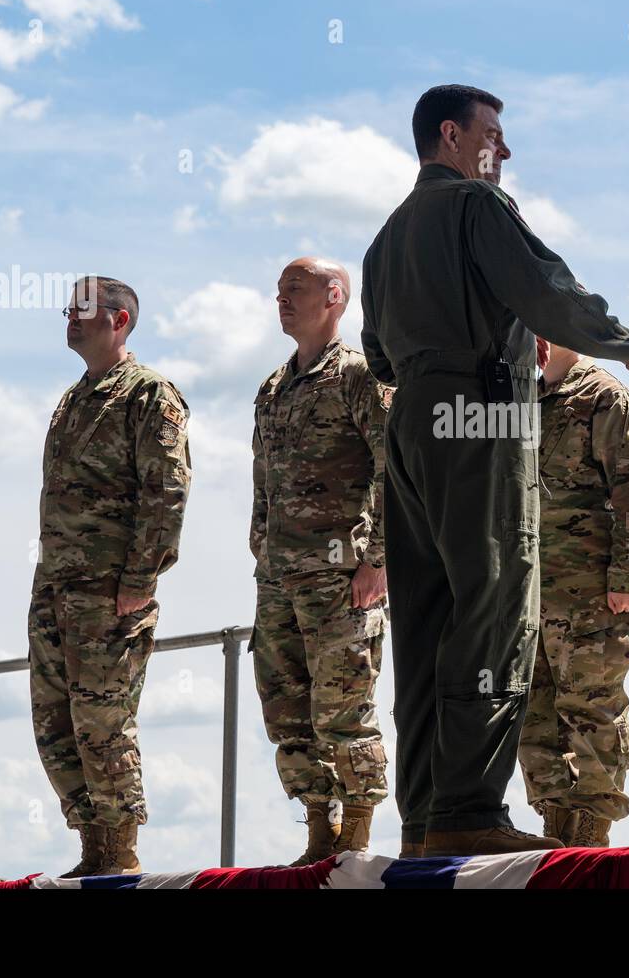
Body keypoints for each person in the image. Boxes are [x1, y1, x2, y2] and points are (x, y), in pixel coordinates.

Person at [361, 83, 629, 858]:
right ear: (454, 136)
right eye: (496, 134)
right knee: (495, 603)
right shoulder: (477, 208)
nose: (507, 151)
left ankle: (427, 816)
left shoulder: (386, 237)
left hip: (413, 426)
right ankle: (469, 807)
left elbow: (379, 357)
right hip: (482, 414)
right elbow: (550, 296)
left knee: (427, 620)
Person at [29, 276, 192, 876]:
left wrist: (141, 578)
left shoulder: (150, 395)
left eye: (84, 309)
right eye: (68, 308)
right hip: (55, 588)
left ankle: (119, 848)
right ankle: (91, 844)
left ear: (119, 321)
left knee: (103, 720)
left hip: (109, 591)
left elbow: (167, 490)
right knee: (54, 724)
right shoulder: (72, 400)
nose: (70, 317)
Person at [250, 257, 392, 865]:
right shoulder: (273, 388)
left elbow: (394, 468)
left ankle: (357, 830)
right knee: (287, 710)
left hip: (341, 577)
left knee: (343, 707)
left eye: (296, 289)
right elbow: (262, 481)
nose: (282, 299)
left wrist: (378, 561)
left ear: (335, 297)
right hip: (279, 577)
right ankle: (316, 827)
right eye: (280, 290)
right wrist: (260, 545)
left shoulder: (359, 376)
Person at [517, 341, 629, 847]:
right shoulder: (524, 401)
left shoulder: (605, 397)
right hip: (529, 594)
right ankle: (555, 829)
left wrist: (627, 577)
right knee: (534, 714)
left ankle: (592, 828)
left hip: (591, 591)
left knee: (591, 707)